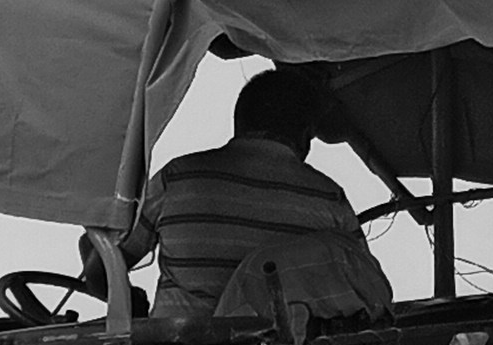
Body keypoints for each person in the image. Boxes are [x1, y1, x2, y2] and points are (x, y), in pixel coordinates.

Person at [137, 66, 394, 331]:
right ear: (305, 135)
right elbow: (361, 280)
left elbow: (106, 262)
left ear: (239, 121)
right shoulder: (328, 197)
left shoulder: (178, 178)